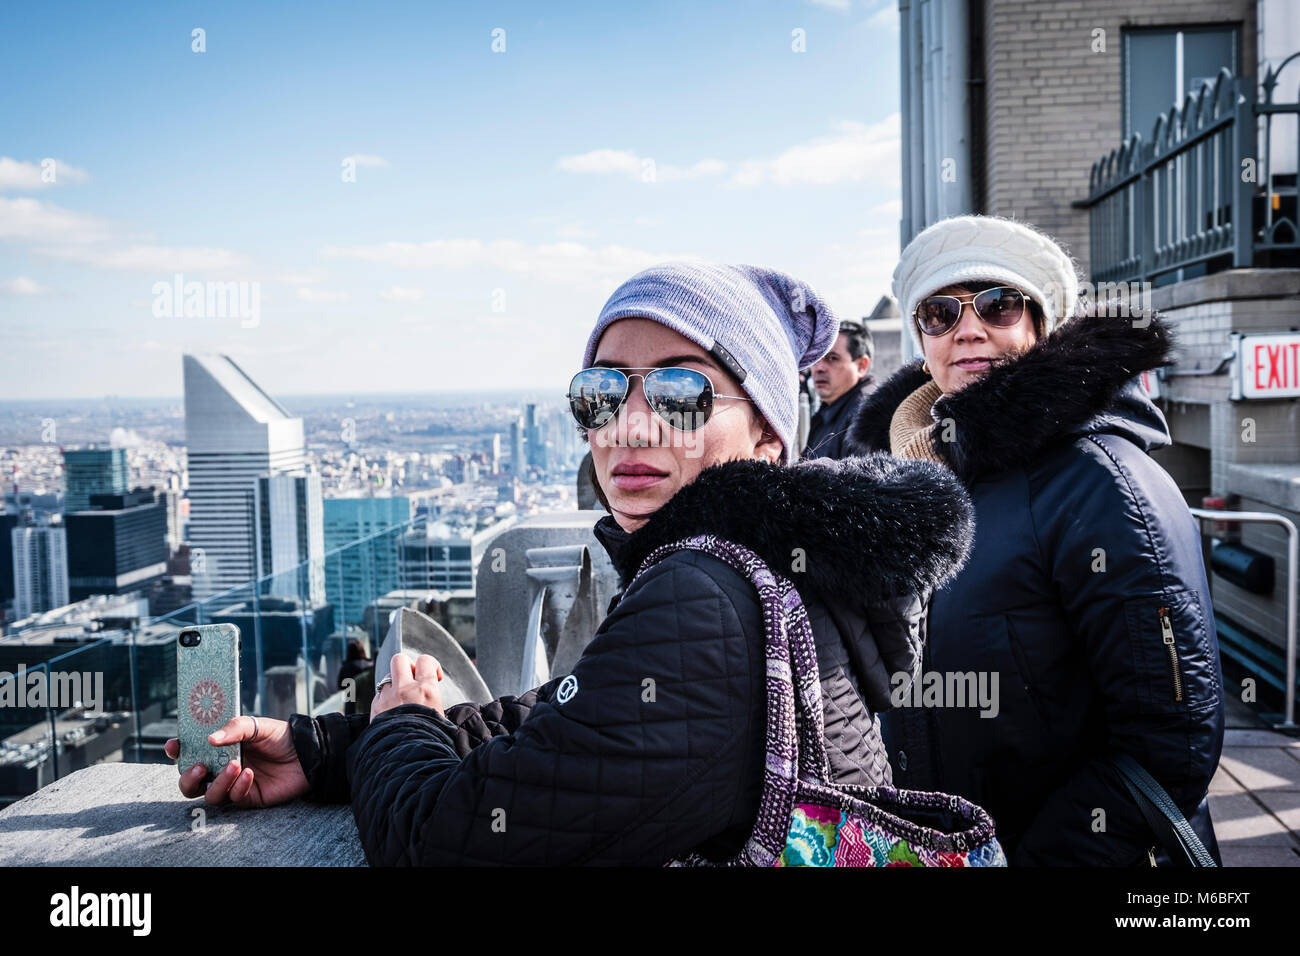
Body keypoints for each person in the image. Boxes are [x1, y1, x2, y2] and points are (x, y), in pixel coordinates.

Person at [165, 260, 974, 865]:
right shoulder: (763, 566)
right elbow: (570, 722)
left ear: (769, 432)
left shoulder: (708, 595)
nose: (630, 426)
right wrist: (321, 748)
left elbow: (441, 844)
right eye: (601, 393)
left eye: (681, 394)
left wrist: (400, 721)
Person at [847, 215, 1225, 866]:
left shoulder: (1103, 485)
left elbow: (1172, 741)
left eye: (998, 305)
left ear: (1041, 324)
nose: (967, 329)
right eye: (939, 313)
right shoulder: (915, 477)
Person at [802, 319, 875, 459]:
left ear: (861, 366)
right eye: (815, 358)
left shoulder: (867, 416)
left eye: (832, 358)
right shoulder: (831, 408)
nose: (818, 368)